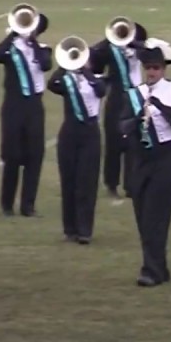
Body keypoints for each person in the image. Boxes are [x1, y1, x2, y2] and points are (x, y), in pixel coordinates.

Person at [120, 40, 171, 287]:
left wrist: (162, 108)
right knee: (143, 218)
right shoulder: (135, 94)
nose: (152, 72)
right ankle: (160, 269)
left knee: (156, 218)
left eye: (156, 67)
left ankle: (150, 271)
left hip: (167, 161)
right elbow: (121, 127)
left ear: (164, 68)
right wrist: (137, 118)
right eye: (148, 68)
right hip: (140, 161)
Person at [0, 13, 52, 217]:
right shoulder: (10, 49)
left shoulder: (42, 49)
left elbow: (46, 65)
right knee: (12, 155)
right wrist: (14, 34)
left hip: (34, 106)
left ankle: (28, 205)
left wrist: (33, 42)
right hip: (13, 105)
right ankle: (7, 204)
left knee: (34, 156)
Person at [48, 59, 106, 244]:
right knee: (69, 182)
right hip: (69, 134)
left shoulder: (97, 79)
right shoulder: (67, 80)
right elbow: (52, 84)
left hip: (90, 135)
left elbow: (101, 91)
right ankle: (70, 229)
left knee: (86, 183)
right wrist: (64, 65)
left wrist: (86, 72)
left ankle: (85, 230)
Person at [91, 22, 147, 198]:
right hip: (116, 98)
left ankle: (131, 184)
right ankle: (111, 183)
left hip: (136, 97)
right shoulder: (109, 49)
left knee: (134, 142)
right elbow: (94, 56)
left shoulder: (138, 50)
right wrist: (111, 41)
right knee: (113, 142)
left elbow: (149, 52)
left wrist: (133, 45)